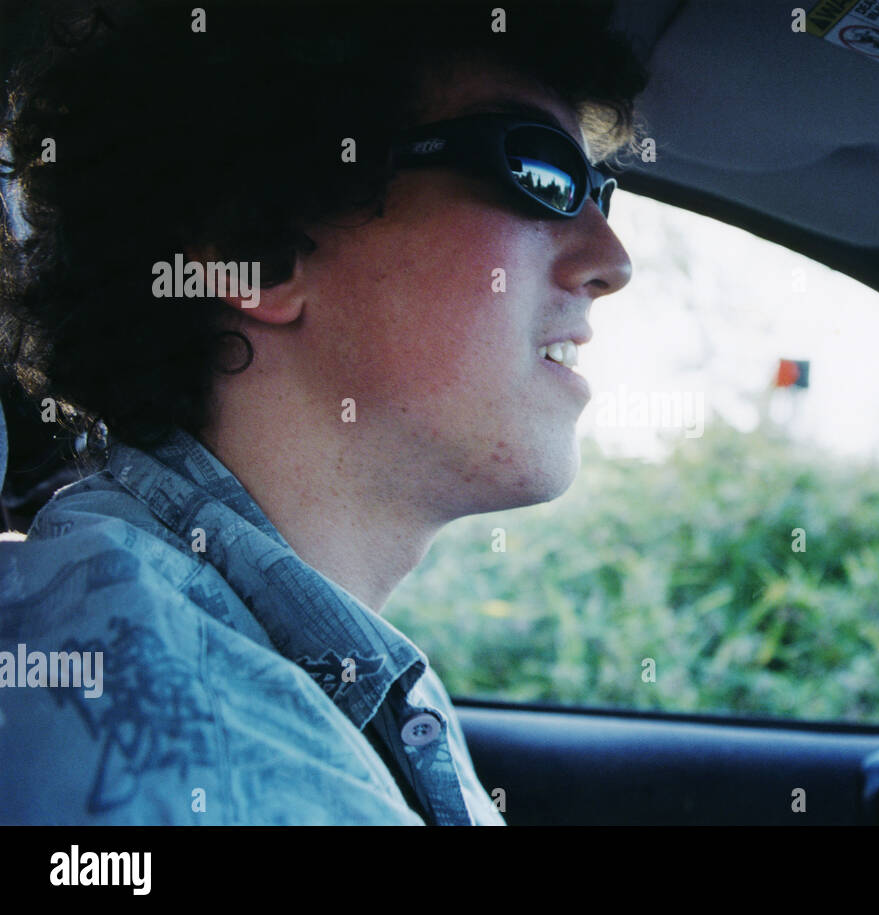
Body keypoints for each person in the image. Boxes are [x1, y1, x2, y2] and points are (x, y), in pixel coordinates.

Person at [0, 0, 646, 825]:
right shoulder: (194, 738)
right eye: (542, 174)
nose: (612, 260)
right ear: (254, 252)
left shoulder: (288, 661)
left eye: (601, 192)